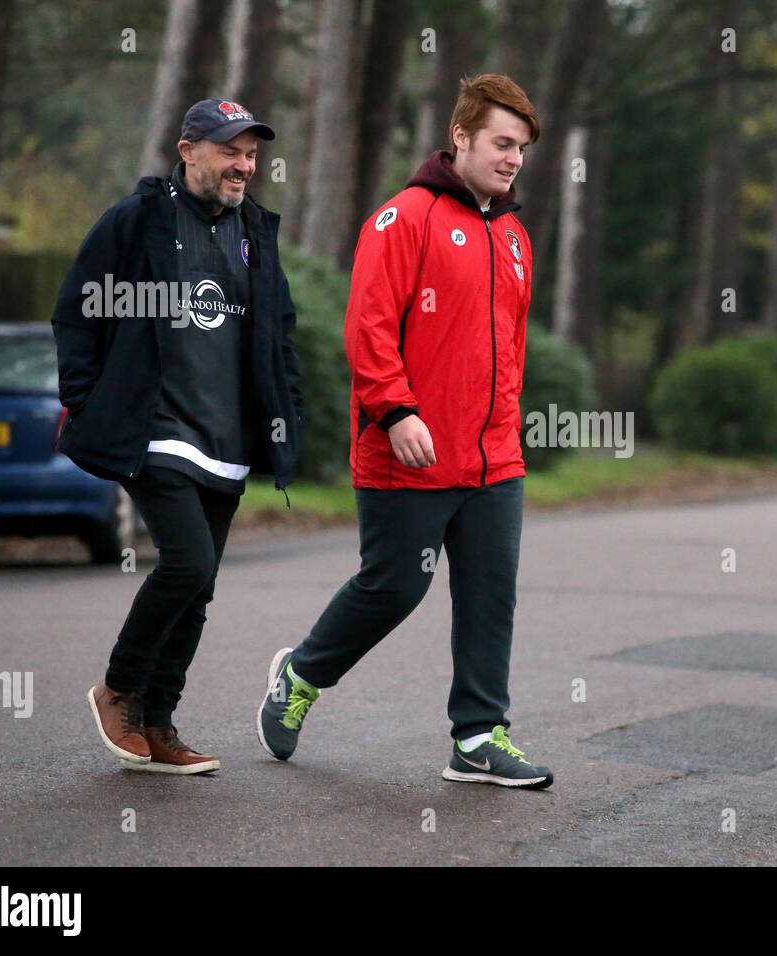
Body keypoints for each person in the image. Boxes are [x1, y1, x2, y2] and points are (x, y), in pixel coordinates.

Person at [257, 74, 552, 788]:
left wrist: (506, 437)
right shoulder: (404, 218)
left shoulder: (513, 236)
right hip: (407, 450)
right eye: (501, 143)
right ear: (461, 137)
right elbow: (369, 326)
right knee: (394, 588)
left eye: (522, 148)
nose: (513, 159)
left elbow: (508, 351)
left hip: (493, 460)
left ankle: (479, 735)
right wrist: (395, 412)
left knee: (490, 591)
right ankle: (300, 674)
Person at [52, 99, 303, 774]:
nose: (243, 166)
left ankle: (159, 722)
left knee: (201, 585)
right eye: (230, 151)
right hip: (155, 429)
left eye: (251, 155)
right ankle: (118, 690)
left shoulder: (254, 231)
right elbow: (78, 311)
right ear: (188, 150)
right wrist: (87, 400)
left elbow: (279, 332)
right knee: (187, 564)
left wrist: (286, 414)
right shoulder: (138, 222)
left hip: (228, 436)